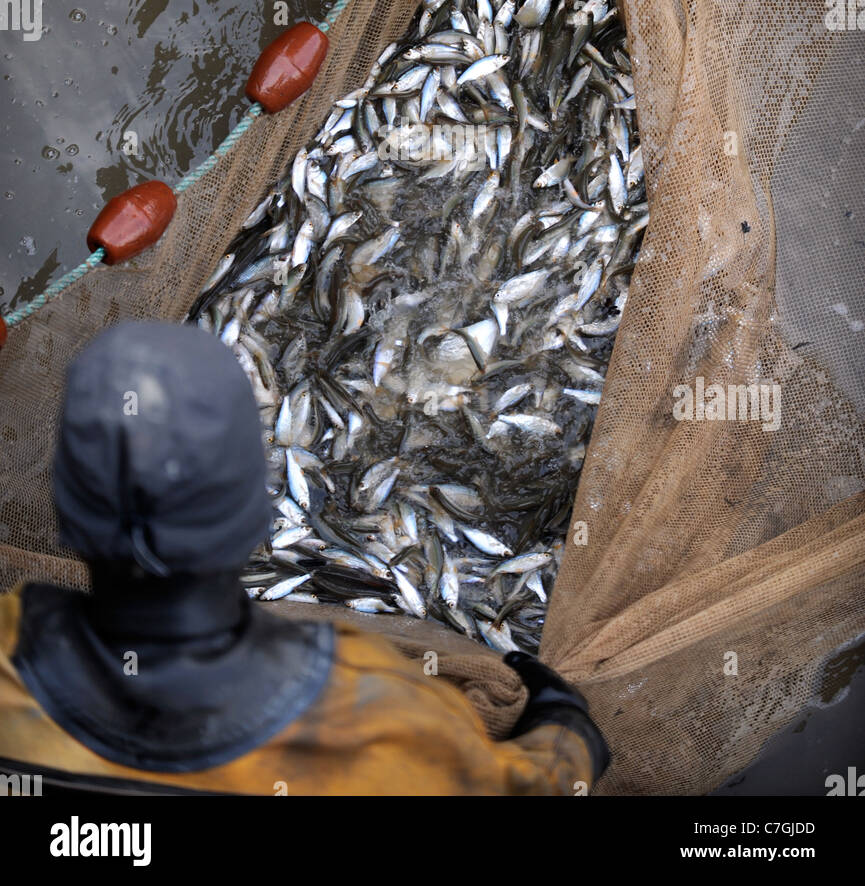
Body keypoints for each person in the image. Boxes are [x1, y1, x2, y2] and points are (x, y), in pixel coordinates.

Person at [0, 321, 609, 795]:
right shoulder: (382, 714)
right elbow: (522, 789)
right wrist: (566, 724)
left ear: (65, 516)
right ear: (257, 524)